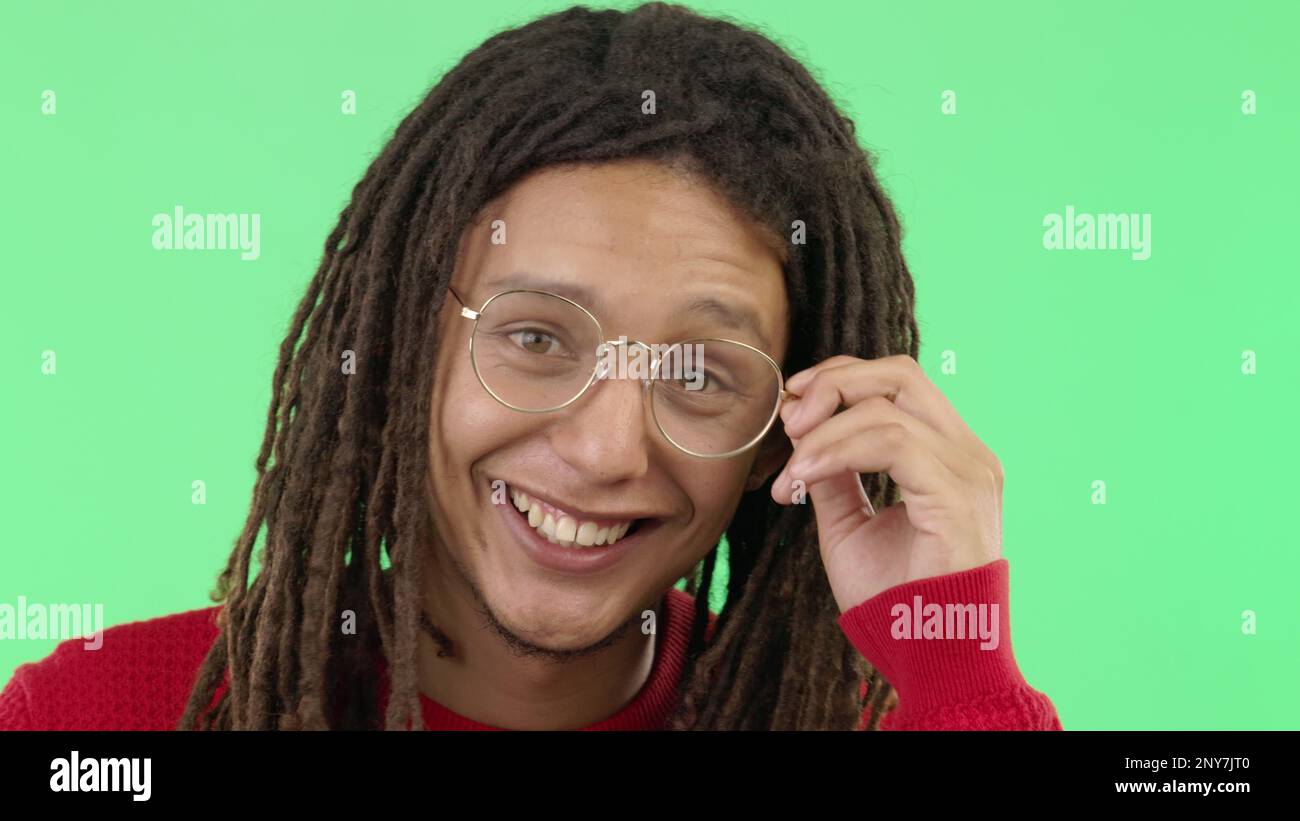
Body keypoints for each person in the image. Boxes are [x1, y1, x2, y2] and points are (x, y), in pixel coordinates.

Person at [0, 1, 1060, 731]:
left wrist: (956, 659)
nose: (606, 449)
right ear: (406, 345)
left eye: (699, 371)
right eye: (538, 338)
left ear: (784, 440)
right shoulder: (98, 722)